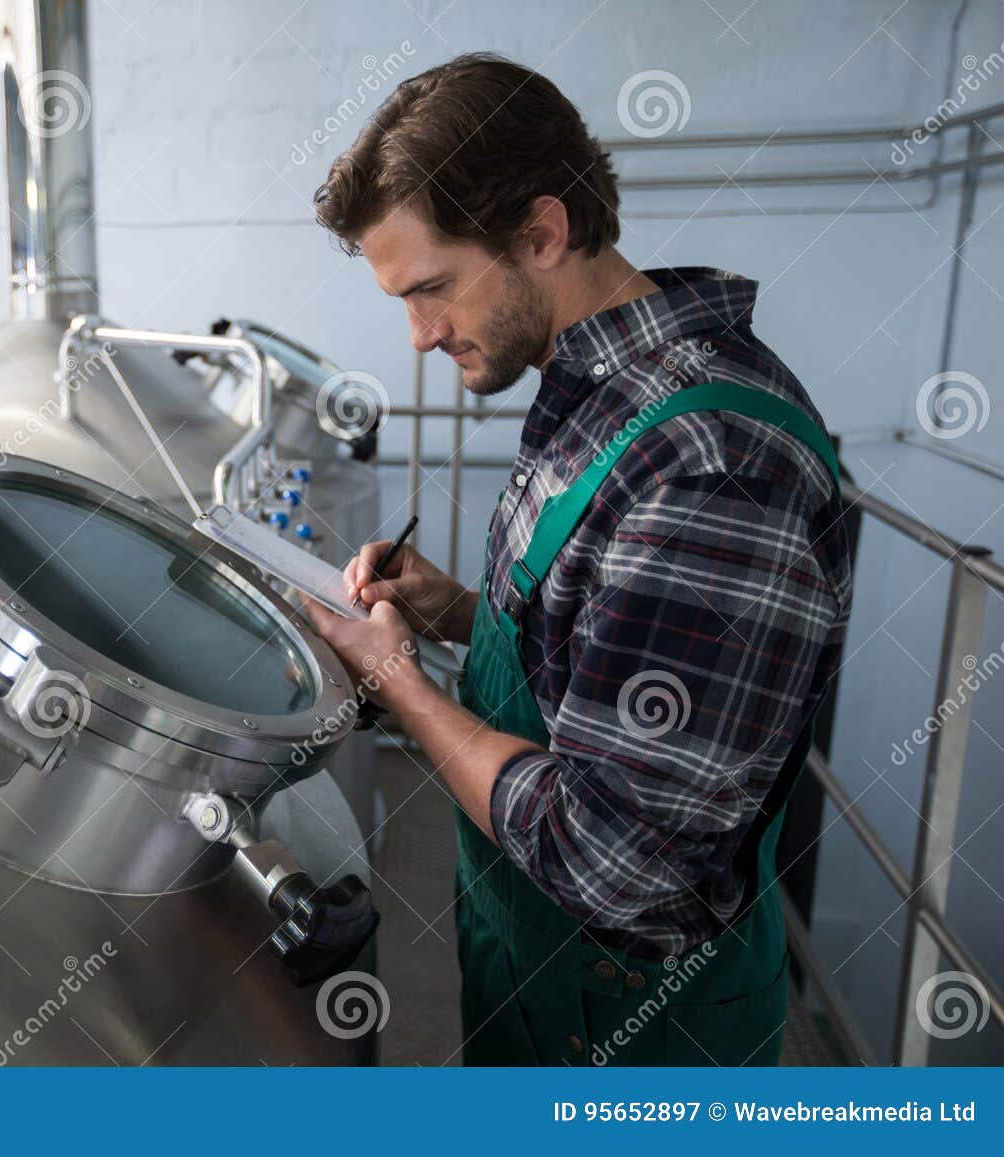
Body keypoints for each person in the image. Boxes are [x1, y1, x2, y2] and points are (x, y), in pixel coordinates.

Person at [298, 52, 852, 1066]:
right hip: (535, 978)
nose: (419, 335)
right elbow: (602, 639)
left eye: (431, 289)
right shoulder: (599, 387)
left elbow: (613, 858)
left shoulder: (710, 469)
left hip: (637, 1029)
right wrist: (459, 611)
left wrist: (396, 683)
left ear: (542, 232)